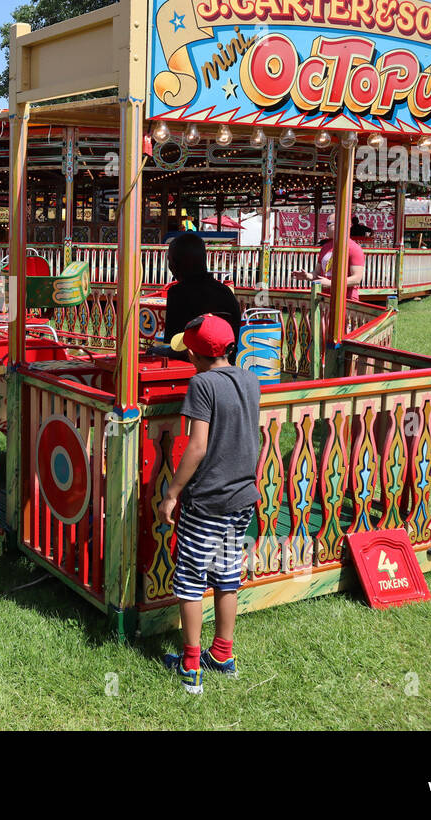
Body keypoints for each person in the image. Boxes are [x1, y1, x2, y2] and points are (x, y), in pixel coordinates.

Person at [157, 314, 261, 694]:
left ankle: (189, 667)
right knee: (227, 577)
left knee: (190, 580)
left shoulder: (202, 384)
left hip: (208, 500)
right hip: (242, 497)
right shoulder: (250, 379)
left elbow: (197, 446)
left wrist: (172, 493)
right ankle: (222, 655)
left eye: (191, 355)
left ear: (199, 357)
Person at [155, 232, 241, 354]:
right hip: (227, 361)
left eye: (170, 260)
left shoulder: (178, 293)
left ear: (175, 264)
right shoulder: (226, 292)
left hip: (194, 364)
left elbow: (175, 345)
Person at [292, 214, 364, 302]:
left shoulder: (353, 248)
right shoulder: (326, 247)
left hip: (345, 300)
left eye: (328, 224)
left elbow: (356, 279)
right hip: (324, 298)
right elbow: (317, 272)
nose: (325, 226)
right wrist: (307, 276)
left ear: (338, 225)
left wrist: (331, 284)